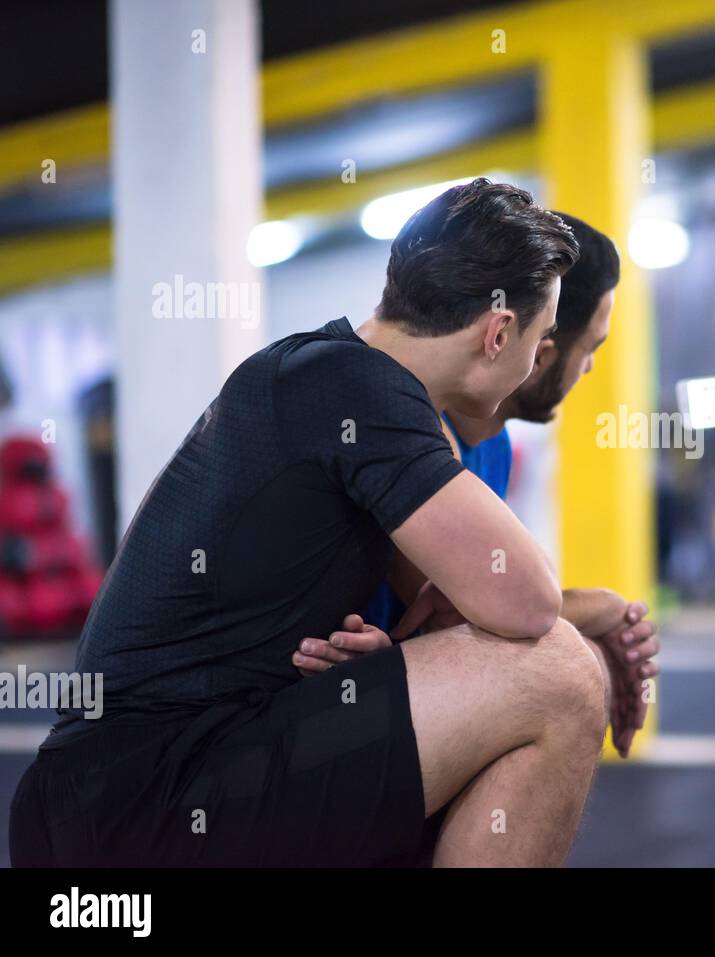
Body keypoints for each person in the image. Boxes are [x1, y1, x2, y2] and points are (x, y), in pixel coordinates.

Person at [9, 179, 638, 867]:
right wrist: (600, 608)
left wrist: (397, 657)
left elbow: (451, 615)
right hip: (139, 801)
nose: (538, 360)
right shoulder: (360, 387)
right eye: (543, 337)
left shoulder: (335, 373)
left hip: (156, 779)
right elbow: (527, 602)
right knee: (561, 676)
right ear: (498, 334)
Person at [297, 214, 660, 762]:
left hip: (376, 680)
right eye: (590, 348)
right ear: (533, 346)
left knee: (570, 656)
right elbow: (471, 612)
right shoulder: (411, 434)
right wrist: (603, 610)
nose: (587, 370)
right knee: (562, 668)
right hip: (311, 706)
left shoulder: (491, 444)